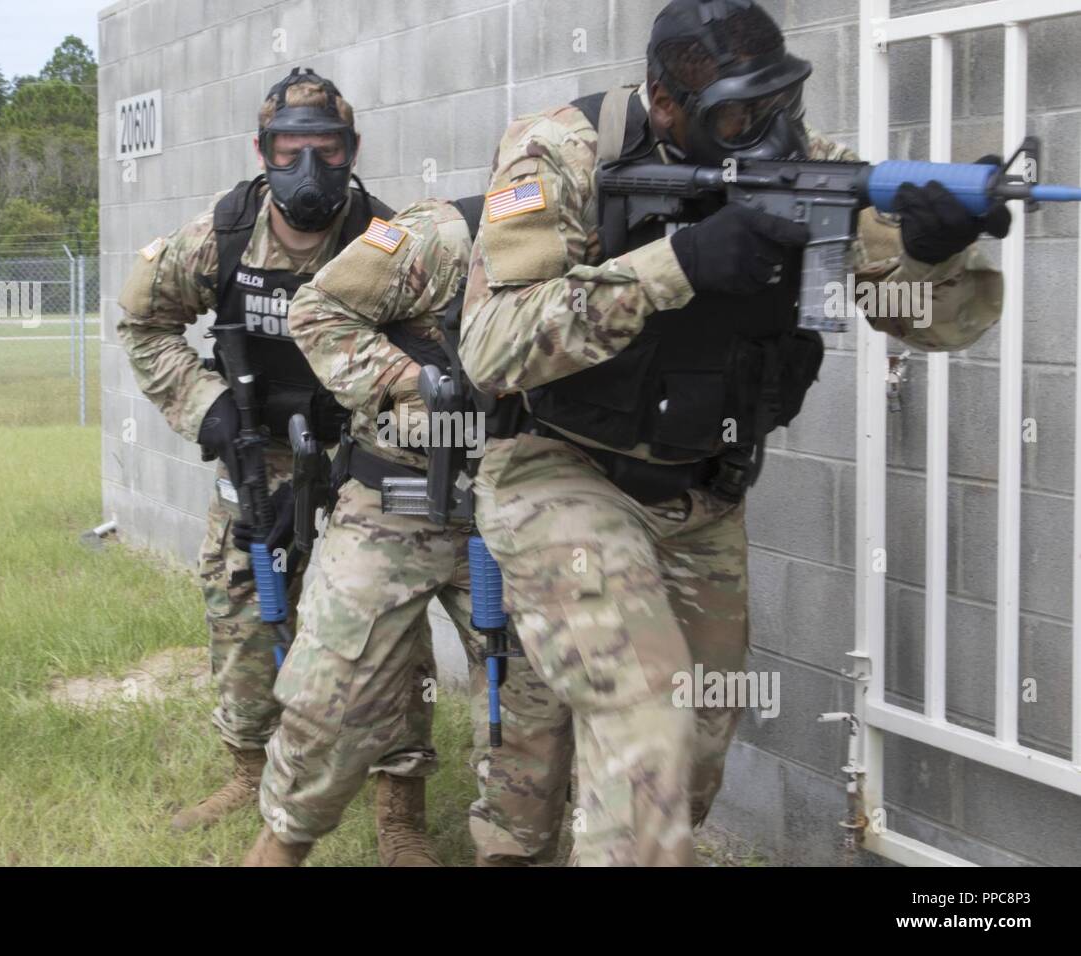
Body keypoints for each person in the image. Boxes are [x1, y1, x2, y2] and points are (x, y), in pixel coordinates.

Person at [458, 0, 1007, 865]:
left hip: (703, 496)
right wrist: (676, 265)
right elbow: (491, 347)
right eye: (736, 115)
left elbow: (935, 321)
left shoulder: (811, 167)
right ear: (665, 102)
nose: (765, 130)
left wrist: (936, 251)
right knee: (644, 716)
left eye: (776, 103)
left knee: (694, 751)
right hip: (560, 470)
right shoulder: (561, 149)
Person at [117, 68, 439, 851]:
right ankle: (248, 767)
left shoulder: (389, 243)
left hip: (364, 464)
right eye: (288, 148)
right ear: (262, 153)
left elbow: (437, 358)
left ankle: (400, 803)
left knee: (389, 631)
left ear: (351, 151)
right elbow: (142, 324)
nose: (307, 168)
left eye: (325, 149)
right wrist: (208, 407)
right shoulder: (222, 238)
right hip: (259, 461)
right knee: (240, 611)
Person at [242, 197, 574, 867]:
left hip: (517, 503)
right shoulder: (443, 235)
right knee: (331, 693)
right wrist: (417, 390)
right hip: (394, 496)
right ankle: (283, 843)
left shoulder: (615, 248)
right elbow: (317, 311)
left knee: (534, 704)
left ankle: (514, 850)